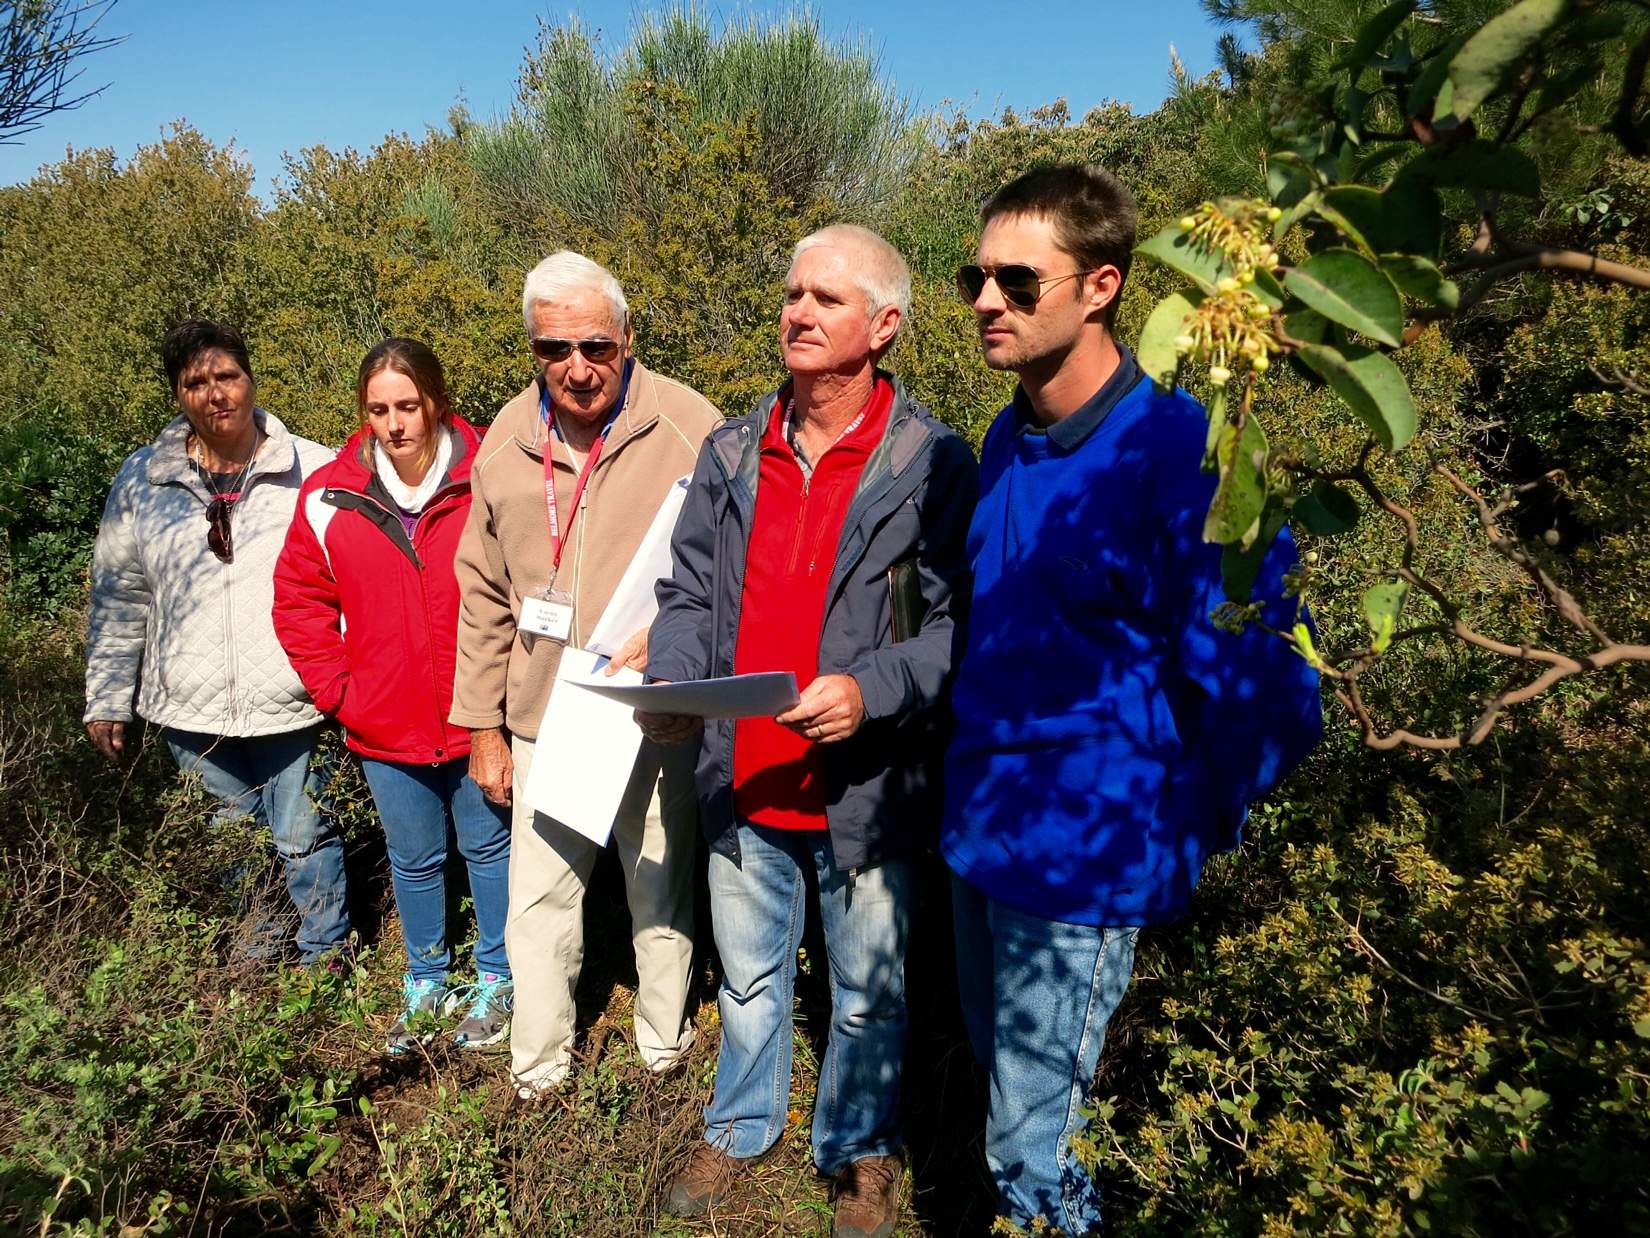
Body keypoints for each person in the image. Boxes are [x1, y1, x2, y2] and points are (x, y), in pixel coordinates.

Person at [943, 163, 1324, 1233]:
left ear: (1102, 285)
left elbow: (1275, 684)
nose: (984, 300)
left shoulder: (1187, 455)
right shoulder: (1008, 436)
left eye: (1018, 280)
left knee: (1032, 1143)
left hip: (1082, 859)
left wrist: (1177, 826)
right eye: (976, 275)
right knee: (1009, 1096)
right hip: (981, 832)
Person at [643, 224, 977, 1238]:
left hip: (865, 788)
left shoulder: (928, 464)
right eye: (793, 292)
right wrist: (673, 676)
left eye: (826, 298)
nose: (798, 311)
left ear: (883, 326)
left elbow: (950, 626)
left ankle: (860, 1147)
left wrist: (869, 691)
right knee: (748, 975)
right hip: (745, 774)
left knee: (868, 988)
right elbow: (690, 590)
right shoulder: (735, 451)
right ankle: (742, 1124)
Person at [448, 251, 722, 1098]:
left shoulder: (691, 424)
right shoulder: (504, 436)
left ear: (628, 338)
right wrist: (482, 726)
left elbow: (732, 573)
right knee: (538, 906)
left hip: (649, 709)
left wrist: (673, 638)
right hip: (539, 717)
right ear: (531, 348)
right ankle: (537, 1075)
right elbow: (482, 590)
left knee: (660, 886)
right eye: (553, 348)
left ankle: (663, 1052)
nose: (577, 367)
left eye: (596, 345)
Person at [84, 319, 351, 964]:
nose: (214, 394)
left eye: (226, 376)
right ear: (177, 395)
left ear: (250, 378)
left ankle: (324, 961)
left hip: (290, 693)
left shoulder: (311, 469)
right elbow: (120, 593)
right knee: (231, 840)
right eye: (194, 382)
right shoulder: (145, 479)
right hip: (190, 704)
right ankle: (260, 960)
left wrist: (349, 678)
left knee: (302, 833)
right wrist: (107, 696)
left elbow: (351, 581)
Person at [273, 338, 513, 1054]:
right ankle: (426, 983)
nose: (395, 423)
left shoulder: (488, 475)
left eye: (408, 406)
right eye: (378, 409)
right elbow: (298, 602)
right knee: (414, 859)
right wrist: (343, 692)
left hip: (478, 717)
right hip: (385, 724)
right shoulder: (329, 496)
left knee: (489, 848)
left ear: (436, 402)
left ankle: (497, 979)